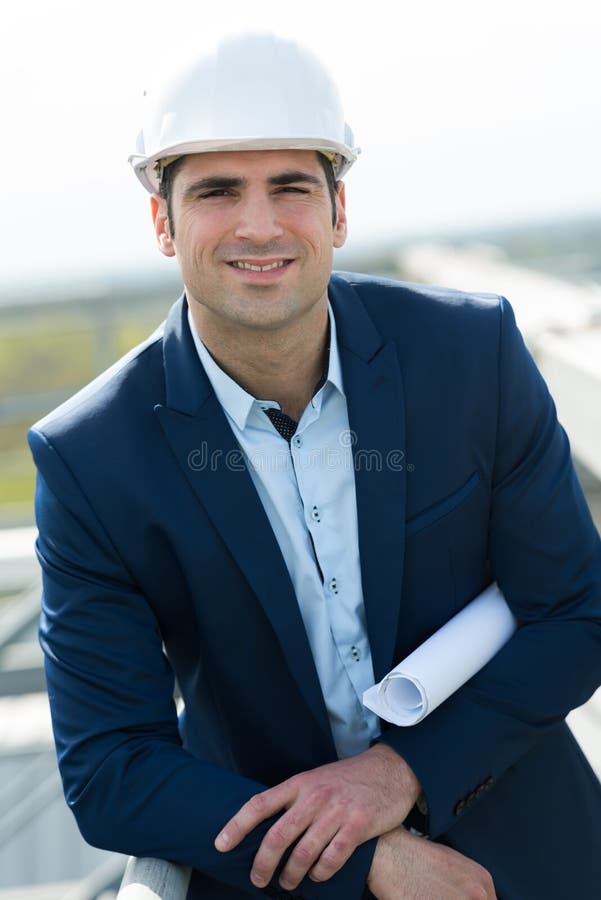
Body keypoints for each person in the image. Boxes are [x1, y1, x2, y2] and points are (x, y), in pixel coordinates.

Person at [28, 32, 601, 900]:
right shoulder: (90, 458)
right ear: (162, 221)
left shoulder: (470, 353)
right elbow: (112, 767)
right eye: (218, 191)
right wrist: (370, 864)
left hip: (530, 849)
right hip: (286, 875)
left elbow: (575, 611)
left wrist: (399, 772)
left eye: (290, 188)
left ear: (337, 211)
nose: (258, 225)